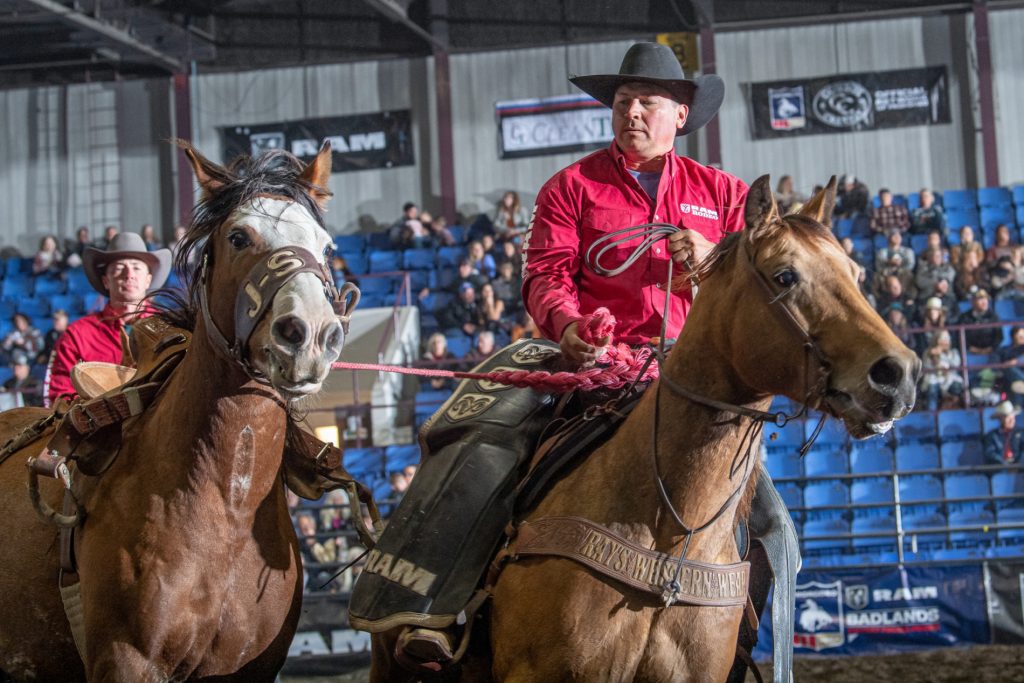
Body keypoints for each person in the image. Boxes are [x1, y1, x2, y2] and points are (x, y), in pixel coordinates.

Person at [350, 43, 795, 682]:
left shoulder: (722, 195)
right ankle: (434, 613)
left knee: (773, 528)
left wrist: (715, 257)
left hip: (693, 381)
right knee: (482, 447)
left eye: (646, 102)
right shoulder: (571, 187)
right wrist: (570, 326)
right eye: (621, 102)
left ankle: (745, 648)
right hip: (594, 371)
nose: (631, 113)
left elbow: (752, 292)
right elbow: (544, 278)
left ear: (680, 113)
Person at [44, 233, 171, 406]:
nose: (129, 274)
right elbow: (59, 398)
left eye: (137, 267)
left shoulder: (170, 329)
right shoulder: (77, 335)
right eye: (119, 268)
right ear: (106, 281)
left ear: (148, 280)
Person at [919, 330, 963, 411]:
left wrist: (946, 354)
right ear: (937, 340)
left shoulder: (953, 352)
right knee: (932, 388)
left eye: (948, 338)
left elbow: (956, 365)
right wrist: (933, 356)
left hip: (949, 379)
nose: (946, 340)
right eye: (944, 338)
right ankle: (931, 413)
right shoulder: (928, 352)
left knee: (957, 387)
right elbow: (926, 366)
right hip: (934, 379)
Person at [955, 288, 1001, 355]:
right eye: (980, 299)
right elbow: (959, 337)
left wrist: (990, 349)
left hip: (991, 352)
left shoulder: (993, 317)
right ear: (973, 301)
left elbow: (999, 336)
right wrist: (972, 349)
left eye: (986, 299)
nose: (984, 302)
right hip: (969, 352)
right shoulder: (964, 318)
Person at [992, 326, 1024, 407]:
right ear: (1013, 336)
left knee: (1016, 384)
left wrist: (1017, 361)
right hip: (1007, 378)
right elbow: (994, 364)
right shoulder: (1003, 350)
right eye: (1019, 336)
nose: (1022, 338)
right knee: (1008, 369)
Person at [984, 401, 1024, 465]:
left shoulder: (1021, 433)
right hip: (1000, 469)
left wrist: (1017, 465)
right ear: (1000, 419)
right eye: (1008, 417)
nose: (1012, 420)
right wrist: (1005, 464)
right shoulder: (991, 436)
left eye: (1013, 417)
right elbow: (990, 454)